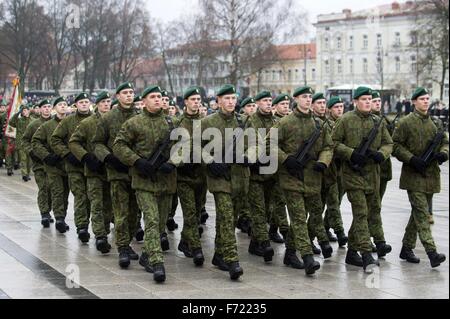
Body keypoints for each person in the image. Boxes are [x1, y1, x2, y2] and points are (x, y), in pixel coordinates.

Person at [113, 85, 178, 283]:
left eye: (160, 96)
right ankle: (157, 263)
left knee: (159, 224)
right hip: (143, 181)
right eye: (153, 97)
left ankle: (147, 255)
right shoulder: (134, 123)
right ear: (144, 101)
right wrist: (136, 161)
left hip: (166, 181)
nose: (158, 99)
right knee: (151, 219)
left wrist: (173, 162)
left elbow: (185, 145)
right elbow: (118, 145)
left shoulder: (172, 122)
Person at [268, 86, 333, 275]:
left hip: (313, 177)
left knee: (311, 216)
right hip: (291, 178)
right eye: (304, 97)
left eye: (309, 97)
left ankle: (289, 252)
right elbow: (269, 143)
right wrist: (286, 158)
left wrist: (323, 162)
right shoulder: (285, 122)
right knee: (297, 218)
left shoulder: (318, 124)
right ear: (296, 99)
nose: (307, 100)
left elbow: (328, 146)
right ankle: (307, 256)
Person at [332, 87, 393, 273]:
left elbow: (388, 143)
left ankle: (351, 251)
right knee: (360, 213)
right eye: (364, 99)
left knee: (366, 214)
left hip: (372, 176)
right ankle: (367, 254)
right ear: (355, 101)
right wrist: (351, 154)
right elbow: (333, 143)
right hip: (352, 175)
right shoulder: (345, 120)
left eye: (370, 99)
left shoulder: (378, 121)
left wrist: (380, 155)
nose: (368, 102)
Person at [392, 87, 448, 268]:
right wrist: (412, 159)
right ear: (414, 102)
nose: (425, 101)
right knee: (423, 213)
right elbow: (395, 146)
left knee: (417, 213)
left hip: (431, 175)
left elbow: (445, 142)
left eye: (427, 98)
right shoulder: (405, 122)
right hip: (413, 175)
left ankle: (406, 248)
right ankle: (431, 252)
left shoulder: (436, 123)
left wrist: (443, 154)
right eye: (422, 99)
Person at [201, 84, 249, 280]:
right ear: (218, 101)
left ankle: (219, 255)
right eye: (226, 98)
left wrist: (247, 157)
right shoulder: (207, 122)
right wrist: (210, 162)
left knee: (228, 218)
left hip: (240, 177)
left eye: (233, 98)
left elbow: (258, 144)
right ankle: (232, 260)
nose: (230, 102)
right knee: (227, 216)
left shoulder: (245, 121)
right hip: (220, 179)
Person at [93, 82, 140, 269]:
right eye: (125, 93)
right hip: (117, 172)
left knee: (134, 213)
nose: (129, 96)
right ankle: (122, 247)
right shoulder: (108, 118)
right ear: (118, 96)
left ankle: (127, 242)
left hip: (136, 172)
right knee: (121, 211)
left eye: (131, 92)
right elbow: (97, 143)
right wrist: (109, 158)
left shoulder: (139, 117)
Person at [69, 91, 113, 254]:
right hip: (93, 169)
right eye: (103, 102)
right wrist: (85, 156)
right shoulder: (88, 123)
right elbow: (74, 142)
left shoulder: (116, 121)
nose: (106, 105)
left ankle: (105, 231)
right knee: (96, 202)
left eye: (108, 102)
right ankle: (100, 235)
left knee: (109, 204)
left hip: (112, 169)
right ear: (97, 104)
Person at [51, 93, 93, 243]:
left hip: (92, 165)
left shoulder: (96, 119)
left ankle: (95, 226)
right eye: (81, 102)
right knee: (80, 195)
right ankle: (82, 227)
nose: (84, 104)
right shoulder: (68, 121)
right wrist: (67, 154)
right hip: (74, 166)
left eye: (86, 102)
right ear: (75, 105)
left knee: (92, 197)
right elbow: (55, 139)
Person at [175, 86, 208, 266]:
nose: (196, 102)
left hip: (201, 176)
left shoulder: (206, 122)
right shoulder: (177, 122)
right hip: (184, 176)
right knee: (189, 212)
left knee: (197, 212)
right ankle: (196, 248)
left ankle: (184, 241)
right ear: (186, 102)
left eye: (198, 99)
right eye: (193, 99)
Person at [32, 98, 71, 233]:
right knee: (53, 190)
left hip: (69, 165)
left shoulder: (72, 123)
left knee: (65, 192)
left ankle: (62, 217)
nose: (63, 107)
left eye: (65, 104)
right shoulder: (44, 125)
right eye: (60, 105)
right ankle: (54, 216)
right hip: (50, 165)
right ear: (55, 108)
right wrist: (44, 155)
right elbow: (33, 141)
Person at [22, 99, 53, 227]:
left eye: (48, 106)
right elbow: (25, 140)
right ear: (39, 109)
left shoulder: (56, 123)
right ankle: (44, 213)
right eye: (44, 107)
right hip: (39, 163)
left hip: (53, 163)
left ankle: (49, 210)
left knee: (53, 189)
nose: (46, 109)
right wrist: (32, 152)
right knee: (44, 187)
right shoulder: (34, 124)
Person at [9, 104, 33, 181]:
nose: (24, 112)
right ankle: (24, 174)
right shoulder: (19, 120)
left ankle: (28, 173)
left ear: (28, 111)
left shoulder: (32, 120)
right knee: (23, 159)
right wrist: (17, 113)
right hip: (21, 143)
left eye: (25, 110)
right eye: (23, 111)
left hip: (30, 143)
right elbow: (11, 122)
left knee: (29, 161)